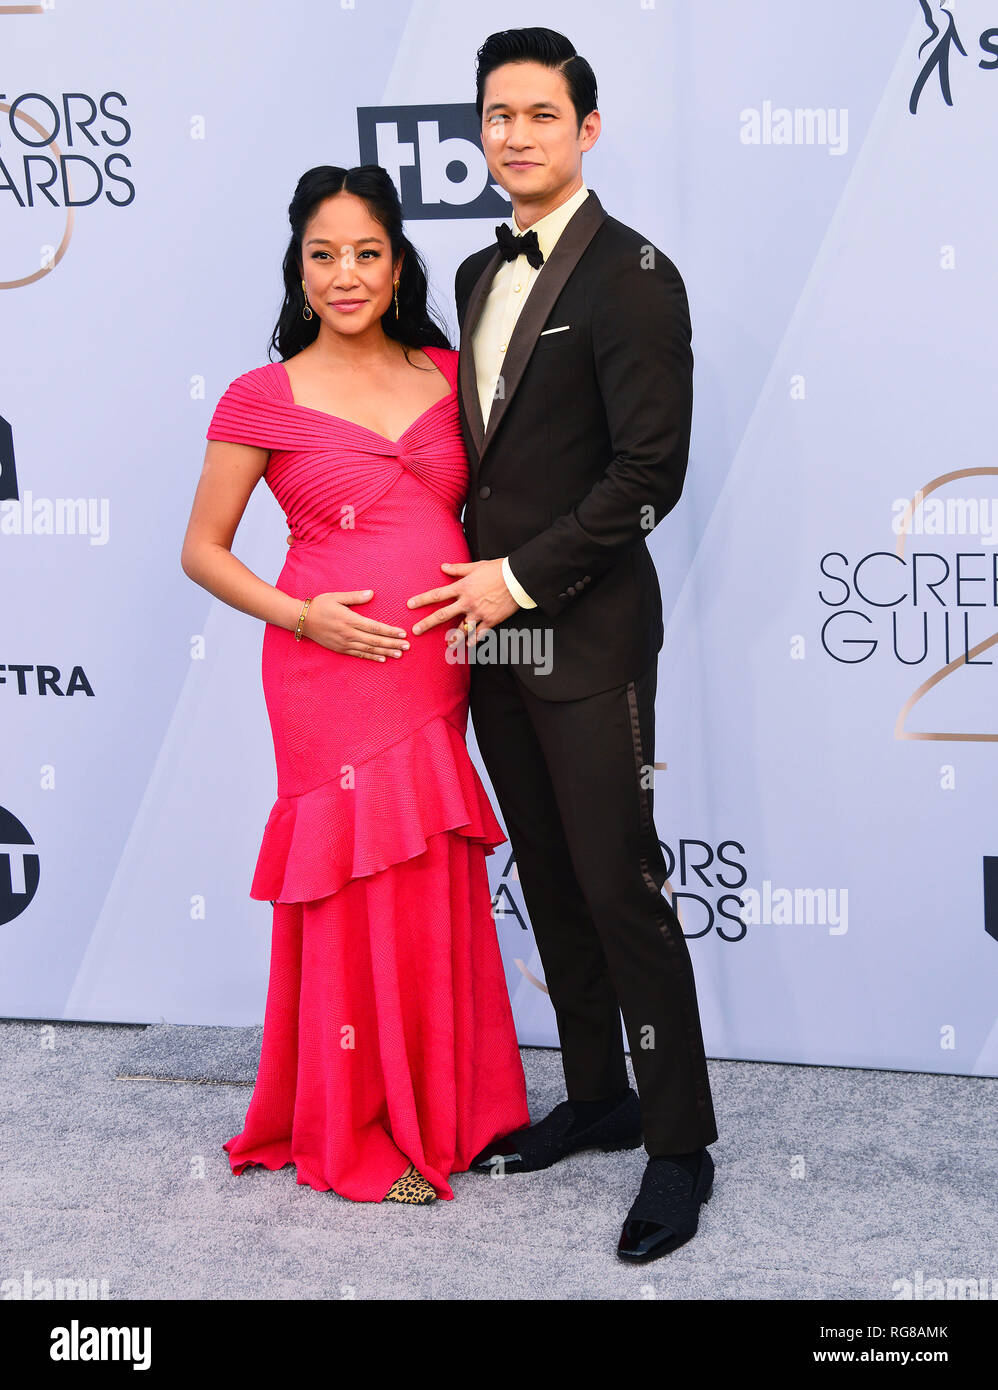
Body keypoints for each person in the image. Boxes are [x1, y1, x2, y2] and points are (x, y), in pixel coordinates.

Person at [405, 28, 718, 1258]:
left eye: (540, 114)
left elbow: (652, 473)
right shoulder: (480, 273)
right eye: (497, 116)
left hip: (582, 633)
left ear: (586, 130)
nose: (514, 135)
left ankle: (679, 1146)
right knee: (544, 871)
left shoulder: (637, 276)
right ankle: (596, 1094)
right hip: (489, 645)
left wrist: (518, 579)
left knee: (620, 885)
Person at [180, 164, 529, 1205]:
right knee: (350, 878)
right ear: (296, 267)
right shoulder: (263, 394)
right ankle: (354, 1114)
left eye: (365, 252)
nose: (344, 273)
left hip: (436, 669)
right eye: (322, 253)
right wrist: (302, 615)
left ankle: (449, 1105)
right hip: (323, 668)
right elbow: (203, 549)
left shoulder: (443, 369)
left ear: (397, 262)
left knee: (426, 868)